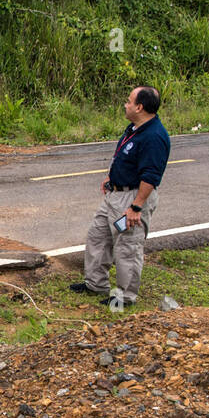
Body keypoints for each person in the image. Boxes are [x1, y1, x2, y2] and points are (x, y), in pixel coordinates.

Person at [69, 85, 171, 308]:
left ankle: (125, 297)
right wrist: (111, 178)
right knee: (98, 236)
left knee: (127, 246)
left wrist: (136, 207)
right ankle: (95, 283)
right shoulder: (135, 128)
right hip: (115, 194)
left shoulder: (154, 137)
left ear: (140, 106)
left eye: (128, 101)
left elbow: (151, 176)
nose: (125, 104)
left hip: (132, 198)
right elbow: (125, 158)